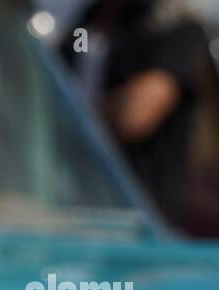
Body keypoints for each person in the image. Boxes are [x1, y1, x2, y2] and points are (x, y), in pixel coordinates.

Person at [59, 0, 207, 229]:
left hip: (141, 218)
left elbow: (135, 116)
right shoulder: (82, 24)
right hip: (69, 206)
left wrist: (64, 113)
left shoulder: (175, 27)